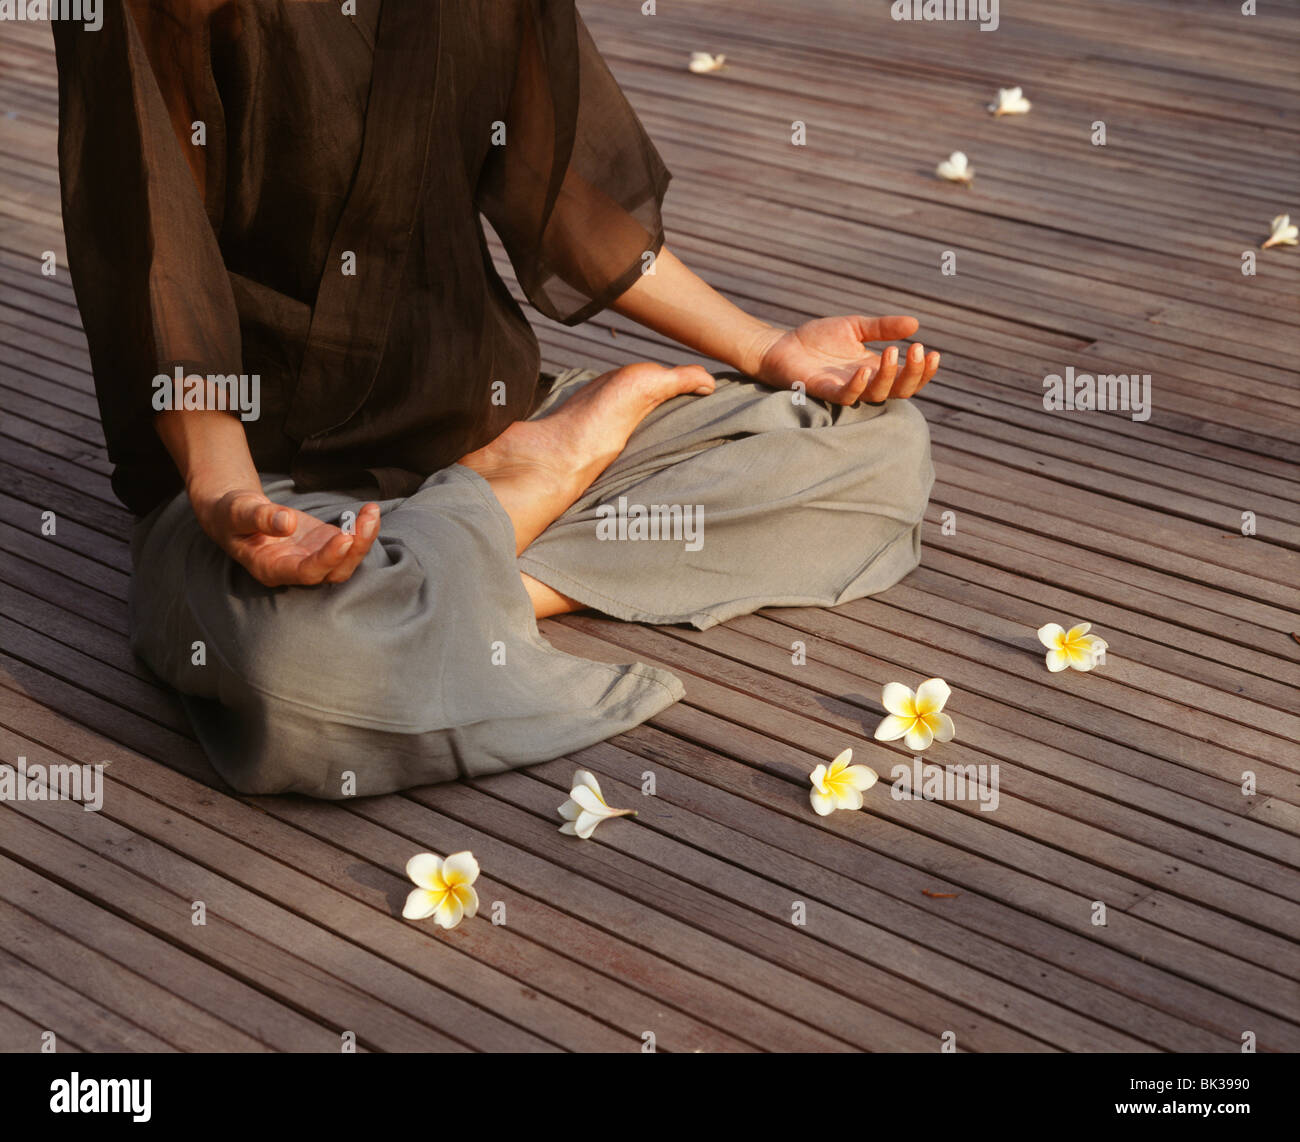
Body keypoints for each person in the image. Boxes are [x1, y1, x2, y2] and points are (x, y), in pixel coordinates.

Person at [53, 0, 938, 798]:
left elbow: (562, 202)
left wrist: (767, 346)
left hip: (484, 417)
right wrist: (220, 497)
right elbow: (158, 265)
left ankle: (450, 559)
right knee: (300, 667)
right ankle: (485, 528)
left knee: (875, 440)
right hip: (270, 484)